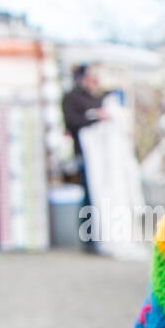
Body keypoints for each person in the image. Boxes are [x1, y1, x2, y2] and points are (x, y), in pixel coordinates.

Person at [61, 64, 107, 253]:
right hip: (84, 154)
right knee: (88, 197)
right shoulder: (72, 98)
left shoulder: (95, 98)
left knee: (98, 196)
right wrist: (96, 119)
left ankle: (97, 235)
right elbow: (73, 123)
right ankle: (89, 239)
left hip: (100, 155)